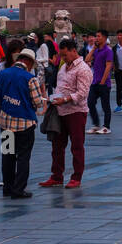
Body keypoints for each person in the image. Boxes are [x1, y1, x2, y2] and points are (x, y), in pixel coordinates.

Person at [0, 45, 47, 198]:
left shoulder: (3, 74)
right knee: (23, 156)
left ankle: (7, 187)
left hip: (5, 123)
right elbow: (38, 102)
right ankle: (18, 189)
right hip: (24, 124)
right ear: (29, 62)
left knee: (7, 155)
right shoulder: (29, 78)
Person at [41, 38, 91, 189]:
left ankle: (76, 177)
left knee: (76, 146)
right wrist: (55, 99)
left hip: (76, 112)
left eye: (65, 55)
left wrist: (66, 99)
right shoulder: (63, 67)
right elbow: (59, 87)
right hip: (60, 111)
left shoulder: (83, 69)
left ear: (73, 51)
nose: (63, 58)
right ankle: (56, 176)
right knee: (57, 145)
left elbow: (82, 94)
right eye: (61, 56)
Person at [85, 30, 114, 135]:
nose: (96, 38)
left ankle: (107, 127)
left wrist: (102, 81)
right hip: (95, 82)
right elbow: (87, 59)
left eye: (98, 36)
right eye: (96, 36)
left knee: (105, 106)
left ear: (105, 38)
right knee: (90, 102)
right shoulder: (96, 50)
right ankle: (96, 125)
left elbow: (108, 67)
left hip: (104, 83)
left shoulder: (108, 50)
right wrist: (93, 49)